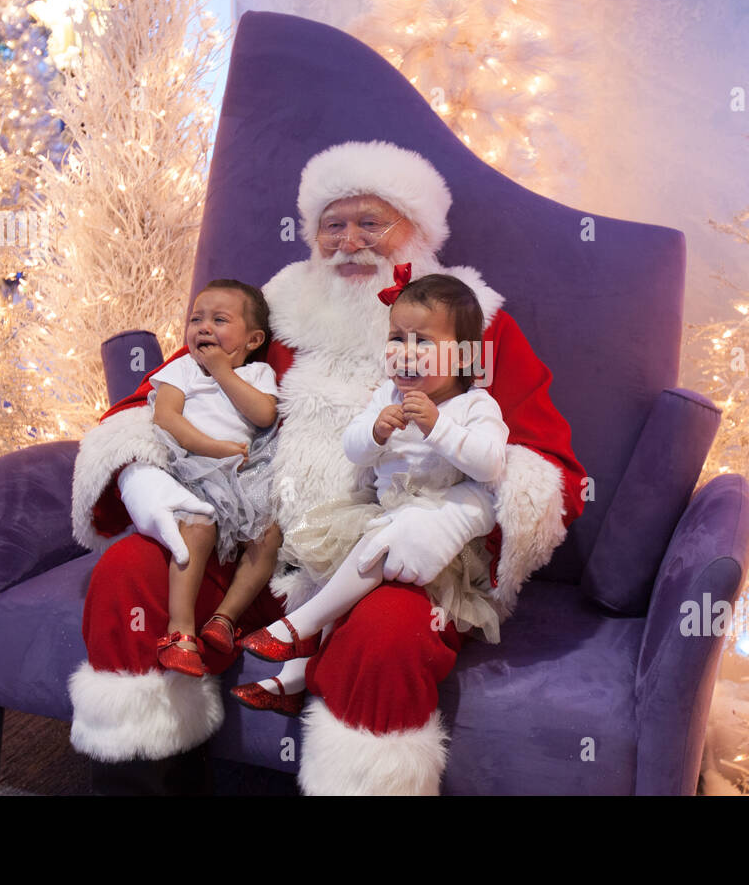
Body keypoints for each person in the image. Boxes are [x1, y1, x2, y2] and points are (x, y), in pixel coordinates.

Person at [67, 139, 586, 794]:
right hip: (255, 537)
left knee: (392, 632)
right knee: (129, 571)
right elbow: (161, 393)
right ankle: (137, 776)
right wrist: (144, 478)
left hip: (389, 556)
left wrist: (457, 519)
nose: (349, 241)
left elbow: (546, 465)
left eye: (372, 221)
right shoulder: (271, 310)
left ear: (418, 233)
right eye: (332, 223)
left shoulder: (475, 324)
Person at [231, 273, 508, 715]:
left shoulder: (476, 406)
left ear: (463, 356)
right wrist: (375, 432)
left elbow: (490, 464)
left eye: (423, 342)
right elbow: (353, 448)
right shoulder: (387, 394)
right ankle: (297, 673)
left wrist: (440, 427)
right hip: (379, 513)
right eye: (397, 338)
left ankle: (297, 628)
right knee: (339, 579)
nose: (406, 353)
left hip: (437, 534)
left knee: (365, 567)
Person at [145, 279, 281, 678]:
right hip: (192, 464)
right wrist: (212, 447)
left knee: (269, 535)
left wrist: (223, 372)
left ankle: (225, 618)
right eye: (196, 319)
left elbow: (263, 416)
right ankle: (180, 632)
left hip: (244, 474)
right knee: (198, 527)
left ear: (253, 339)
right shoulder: (182, 369)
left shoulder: (257, 374)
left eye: (219, 320)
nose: (203, 327)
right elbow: (166, 417)